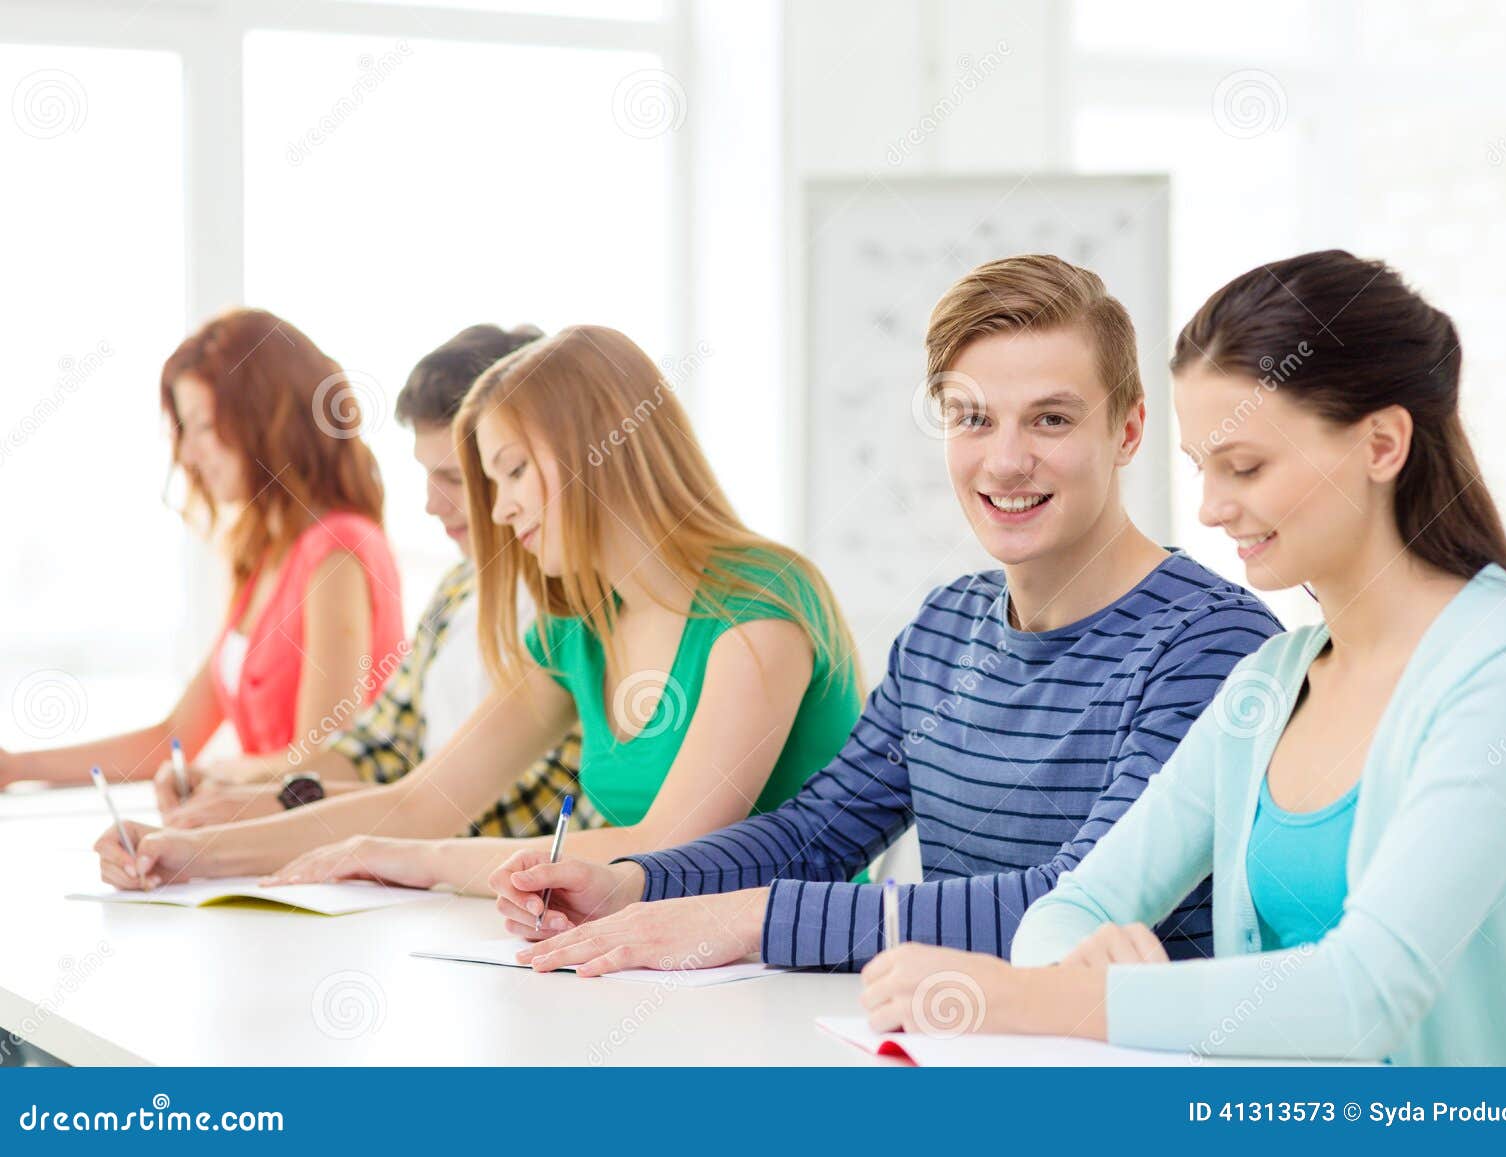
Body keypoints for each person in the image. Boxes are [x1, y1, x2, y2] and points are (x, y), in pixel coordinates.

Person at [863, 250, 1506, 1066]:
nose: (1211, 509)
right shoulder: (1270, 684)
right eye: (1201, 469)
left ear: (1383, 443)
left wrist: (1052, 996)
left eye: (1245, 466)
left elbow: (1366, 995)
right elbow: (1065, 909)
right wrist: (1083, 966)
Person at [493, 255, 1280, 976]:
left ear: (1129, 429)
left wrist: (753, 918)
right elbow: (817, 832)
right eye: (973, 419)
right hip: (957, 1046)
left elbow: (1072, 900)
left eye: (1051, 419)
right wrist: (631, 883)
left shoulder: (1212, 646)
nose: (1005, 460)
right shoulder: (945, 629)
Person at [95, 325, 862, 896]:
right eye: (491, 482)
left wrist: (413, 861)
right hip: (652, 969)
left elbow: (666, 849)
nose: (501, 510)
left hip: (791, 987)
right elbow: (421, 800)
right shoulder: (576, 628)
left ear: (603, 449)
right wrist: (185, 852)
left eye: (515, 470)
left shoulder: (762, 605)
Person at [155, 324, 601, 840]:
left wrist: (272, 822)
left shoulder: (577, 606)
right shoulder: (458, 587)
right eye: (428, 477)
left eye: (454, 478)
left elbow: (513, 814)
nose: (432, 505)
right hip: (436, 885)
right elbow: (378, 749)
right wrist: (250, 800)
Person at [0, 309, 404, 787]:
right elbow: (172, 739)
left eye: (204, 427)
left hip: (313, 851)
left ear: (267, 420)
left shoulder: (336, 551)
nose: (189, 455)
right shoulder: (267, 559)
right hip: (267, 842)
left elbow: (320, 766)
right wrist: (17, 768)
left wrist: (212, 777)